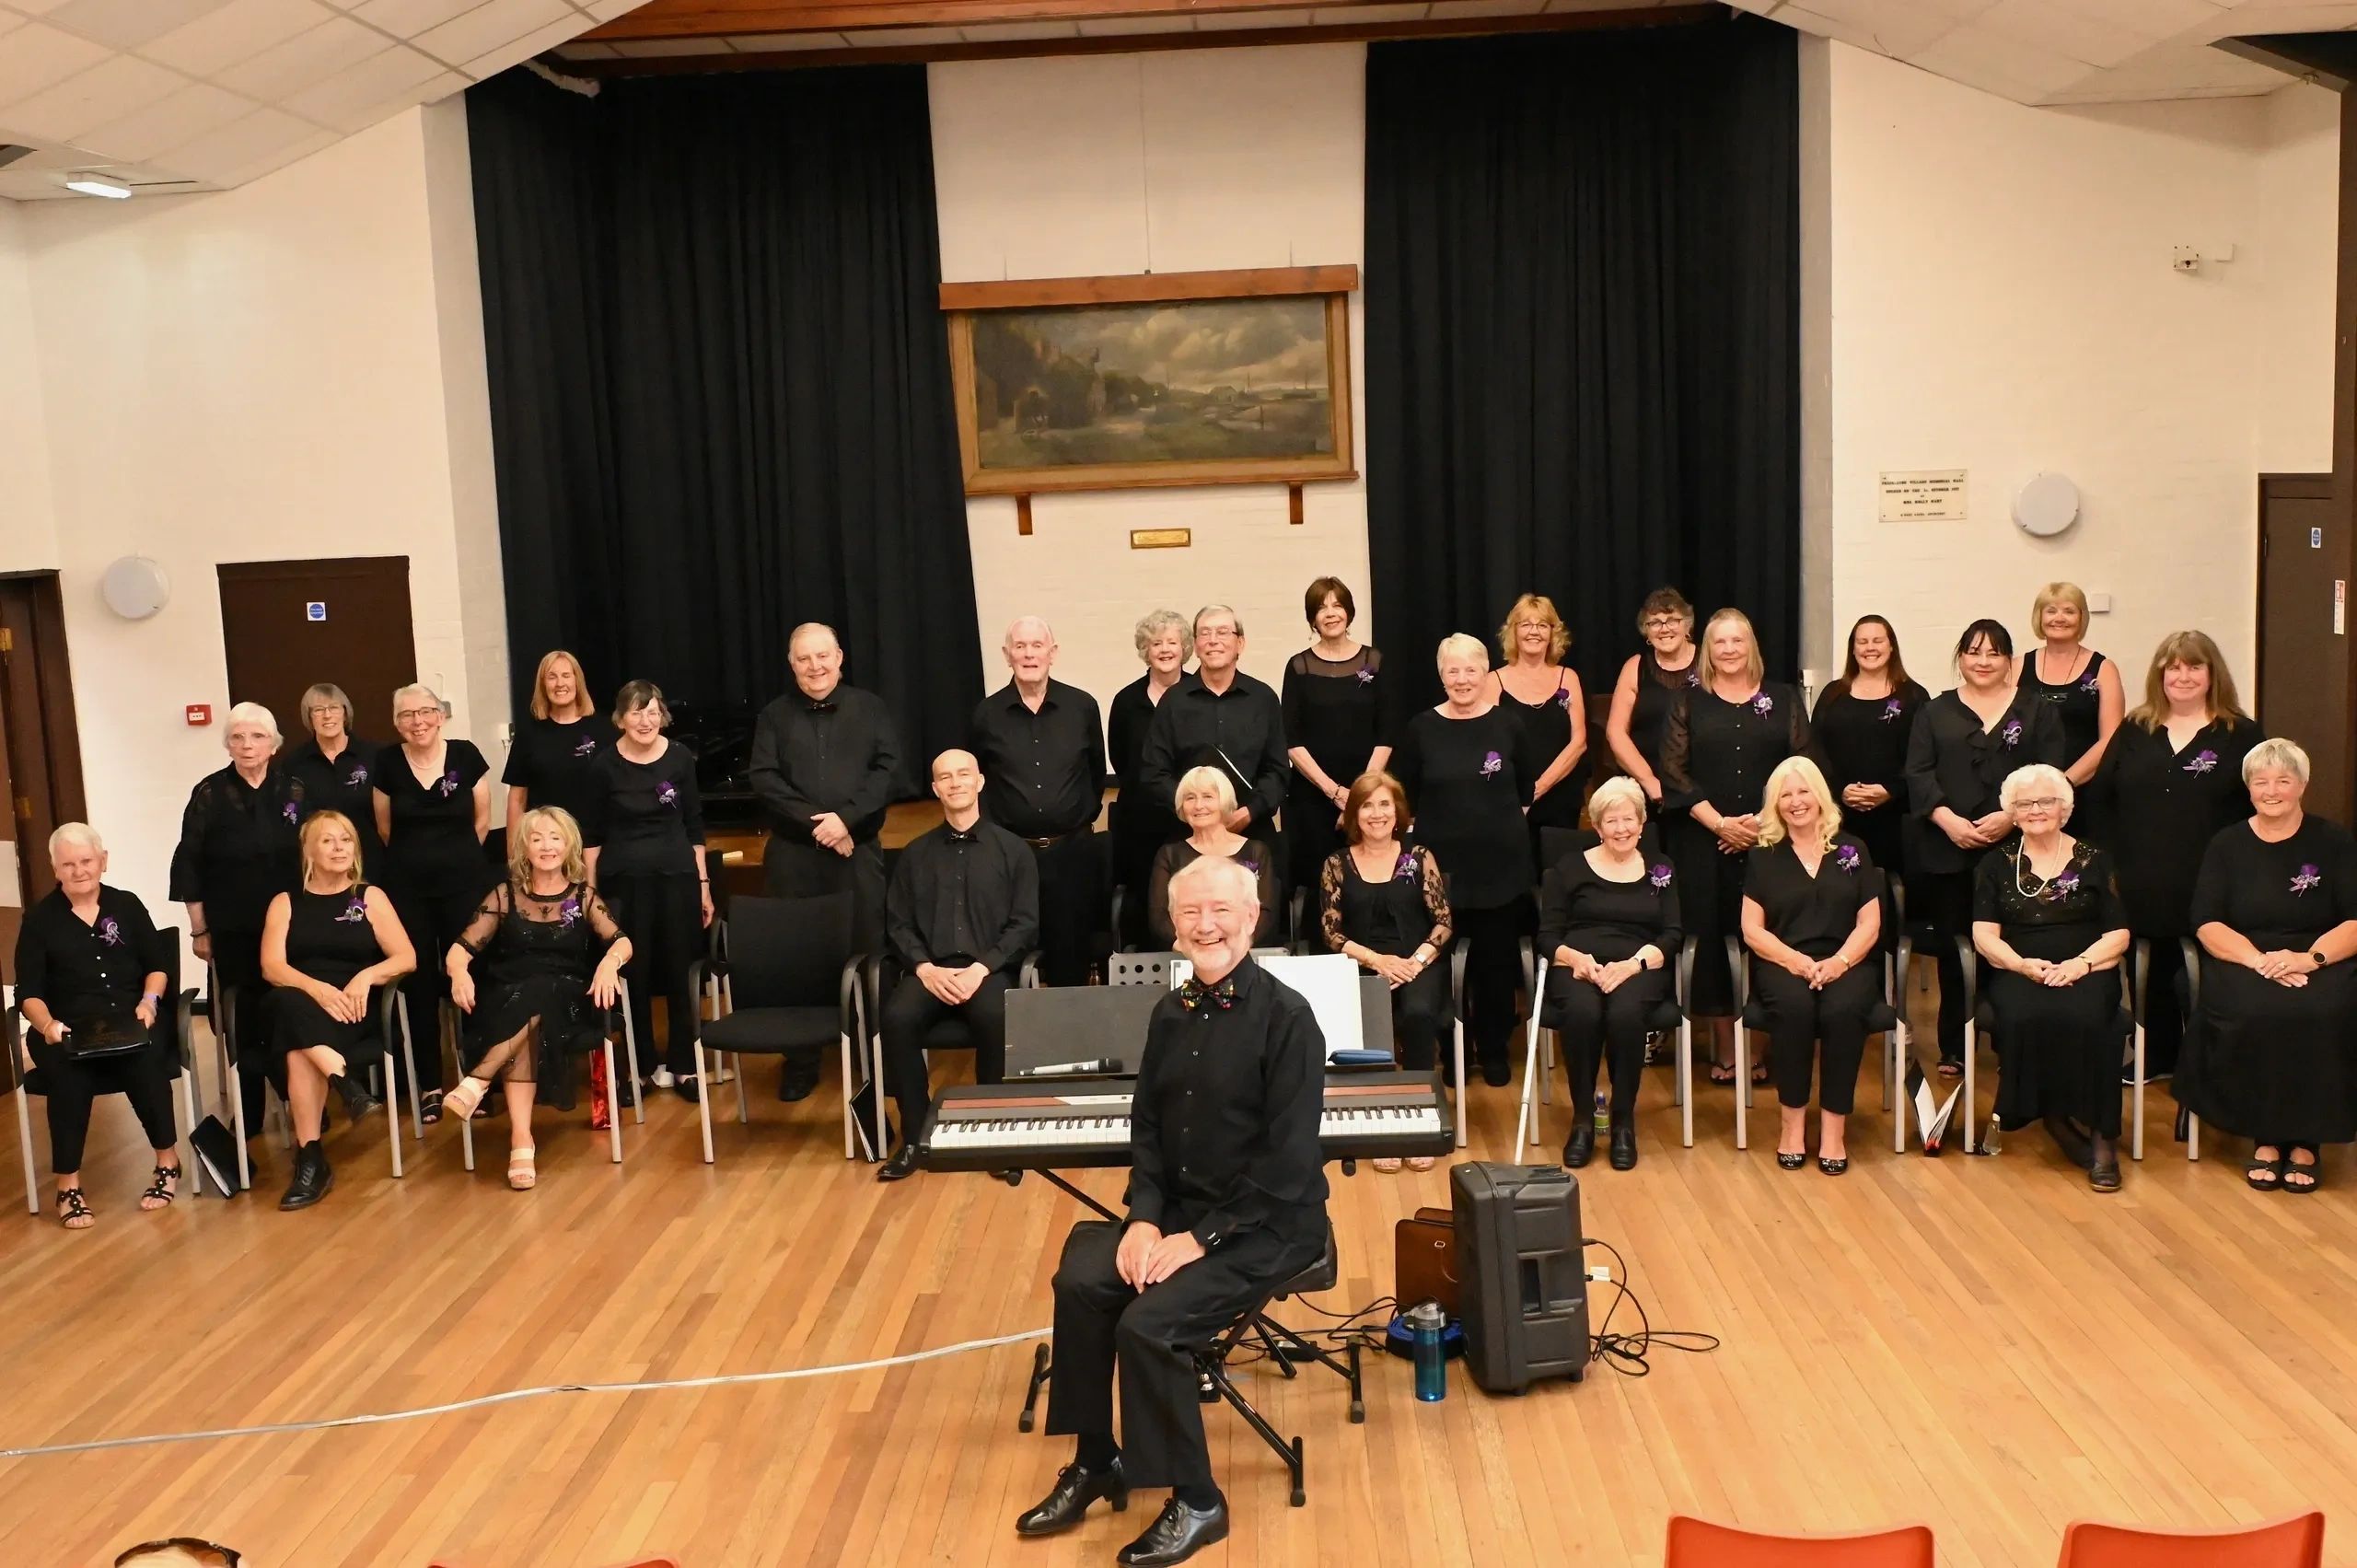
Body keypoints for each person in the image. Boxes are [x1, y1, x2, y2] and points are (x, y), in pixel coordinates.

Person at [1022, 855, 1327, 1568]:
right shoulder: (1171, 1010)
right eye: (1190, 912)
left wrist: (1200, 1238)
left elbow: (1286, 1164)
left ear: (1253, 919)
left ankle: (1198, 1500)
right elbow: (1149, 1129)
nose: (1206, 924)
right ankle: (1099, 1460)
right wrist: (1145, 1219)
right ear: (1174, 924)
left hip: (1268, 1225)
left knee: (1150, 1325)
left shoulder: (1289, 1020)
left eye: (1221, 910)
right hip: (1180, 1214)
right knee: (1082, 1282)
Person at [2174, 738, 2357, 1194]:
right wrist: (2260, 962)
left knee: (2321, 1011)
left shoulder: (2334, 840)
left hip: (2320, 955)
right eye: (2261, 781)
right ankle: (2266, 1137)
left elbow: (2355, 919)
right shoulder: (2227, 843)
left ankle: (2307, 1141)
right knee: (2257, 1011)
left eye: (2283, 780)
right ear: (2248, 788)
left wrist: (2308, 959)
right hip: (2243, 956)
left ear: (2302, 785)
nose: (2271, 790)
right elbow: (2207, 922)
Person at [2088, 631, 2257, 1082]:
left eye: (2194, 667)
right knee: (2149, 973)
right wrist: (2108, 864)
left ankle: (2209, 1064)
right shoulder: (2135, 728)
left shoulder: (2240, 734)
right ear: (2160, 675)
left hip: (2212, 879)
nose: (2182, 676)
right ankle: (2156, 1054)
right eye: (2173, 667)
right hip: (2140, 876)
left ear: (2212, 674)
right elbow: (2101, 798)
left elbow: (2256, 809)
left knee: (2204, 978)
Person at [1906, 620, 2067, 1075]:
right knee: (1957, 949)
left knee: (2015, 945)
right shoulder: (1935, 712)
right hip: (1947, 848)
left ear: (2010, 662)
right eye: (1973, 651)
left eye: (1993, 653)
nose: (1982, 661)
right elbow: (1918, 773)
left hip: (2020, 850)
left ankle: (2010, 1039)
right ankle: (1954, 1045)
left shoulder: (2036, 710)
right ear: (1960, 657)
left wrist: (2011, 816)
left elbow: (2050, 775)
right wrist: (1947, 820)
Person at [749, 621, 902, 1099]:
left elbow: (888, 770)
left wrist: (847, 821)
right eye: (803, 659)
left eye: (822, 656)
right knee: (797, 958)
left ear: (839, 657)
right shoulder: (774, 716)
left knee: (868, 952)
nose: (815, 667)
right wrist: (822, 826)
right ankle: (800, 1061)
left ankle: (873, 1058)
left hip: (857, 853)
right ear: (791, 665)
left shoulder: (871, 708)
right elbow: (765, 778)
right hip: (795, 857)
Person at [872, 749, 1040, 1183]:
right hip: (931, 970)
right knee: (897, 1016)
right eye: (944, 777)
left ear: (980, 781)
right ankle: (915, 1136)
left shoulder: (1013, 851)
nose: (955, 782)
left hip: (987, 970)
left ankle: (992, 1133)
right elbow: (899, 924)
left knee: (996, 1016)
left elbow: (1024, 925)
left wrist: (981, 969)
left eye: (964, 774)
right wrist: (925, 968)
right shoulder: (913, 854)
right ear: (935, 789)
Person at [1660, 608, 1812, 1084]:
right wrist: (1722, 824)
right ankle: (1726, 1050)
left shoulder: (1784, 699)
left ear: (1752, 647)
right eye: (1719, 642)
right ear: (1707, 649)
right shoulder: (1688, 701)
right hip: (1705, 843)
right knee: (1713, 942)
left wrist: (1764, 825)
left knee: (1770, 937)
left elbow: (1803, 765)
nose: (1729, 650)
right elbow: (1673, 773)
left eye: (1737, 641)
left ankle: (1759, 1049)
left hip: (1774, 841)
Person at [445, 807, 631, 1191]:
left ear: (569, 847)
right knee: (528, 1008)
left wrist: (609, 963)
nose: (547, 846)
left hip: (570, 998)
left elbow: (622, 941)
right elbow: (460, 949)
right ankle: (520, 1139)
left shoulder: (583, 896)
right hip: (511, 996)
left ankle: (481, 1083)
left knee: (542, 991)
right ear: (524, 847)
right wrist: (458, 971)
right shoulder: (504, 895)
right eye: (537, 838)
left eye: (555, 838)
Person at [1969, 764, 2133, 1191]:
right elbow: (1984, 934)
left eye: (2046, 801)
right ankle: (2055, 1119)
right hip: (2020, 968)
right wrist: (2022, 964)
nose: (2036, 810)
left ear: (2065, 809)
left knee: (2093, 1020)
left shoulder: (2096, 860)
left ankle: (2102, 1142)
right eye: (2025, 804)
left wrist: (2081, 964)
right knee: (2025, 1016)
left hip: (2088, 966)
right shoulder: (1995, 863)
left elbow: (2119, 932)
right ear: (2012, 812)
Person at [14, 823, 181, 1229]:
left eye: (86, 861)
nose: (79, 871)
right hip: (67, 1027)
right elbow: (28, 992)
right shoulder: (40, 920)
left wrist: (149, 1002)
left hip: (131, 1017)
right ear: (56, 869)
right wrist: (48, 1024)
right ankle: (68, 1186)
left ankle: (167, 1161)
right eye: (67, 864)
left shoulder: (126, 905)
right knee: (69, 1075)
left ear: (102, 861)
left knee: (145, 1060)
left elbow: (157, 967)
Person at [1390, 633, 1538, 1086]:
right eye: (1452, 670)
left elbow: (1526, 793)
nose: (1461, 679)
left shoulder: (1509, 725)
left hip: (1500, 868)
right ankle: (1454, 1052)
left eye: (1470, 669)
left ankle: (1493, 1050)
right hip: (1440, 873)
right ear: (1441, 676)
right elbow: (1402, 797)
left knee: (1494, 966)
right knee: (1439, 966)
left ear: (1485, 672)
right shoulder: (1420, 728)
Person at [258, 810, 416, 1210]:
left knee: (296, 1045)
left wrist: (366, 977)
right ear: (308, 850)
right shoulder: (285, 902)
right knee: (287, 1001)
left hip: (352, 1011)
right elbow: (272, 967)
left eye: (345, 839)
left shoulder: (369, 897)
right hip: (305, 1001)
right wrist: (317, 989)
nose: (339, 847)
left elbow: (406, 957)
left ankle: (311, 1162)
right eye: (328, 840)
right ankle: (344, 1082)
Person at [1740, 756, 1883, 1175]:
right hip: (1784, 961)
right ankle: (1793, 1126)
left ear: (1820, 796)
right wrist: (1797, 961)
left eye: (1803, 791)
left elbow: (1870, 922)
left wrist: (1840, 962)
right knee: (1795, 1010)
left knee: (1842, 1012)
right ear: (1775, 804)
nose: (1796, 802)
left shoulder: (1853, 850)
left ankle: (1835, 1132)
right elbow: (1752, 929)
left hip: (1847, 960)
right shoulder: (1763, 856)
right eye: (1786, 795)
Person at [170, 701, 305, 1144]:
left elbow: (316, 852)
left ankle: (299, 1102)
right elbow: (187, 864)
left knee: (288, 1010)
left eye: (257, 736)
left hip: (290, 924)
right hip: (232, 926)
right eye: (238, 737)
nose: (247, 745)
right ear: (228, 744)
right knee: (242, 1017)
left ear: (274, 744)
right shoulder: (209, 793)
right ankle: (248, 1112)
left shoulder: (295, 790)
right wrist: (199, 929)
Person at [1537, 776, 1678, 1172]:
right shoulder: (1568, 869)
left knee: (1625, 1014)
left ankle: (1622, 1121)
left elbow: (1672, 933)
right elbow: (1547, 936)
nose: (1622, 829)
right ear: (1597, 827)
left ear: (1642, 822)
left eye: (1629, 819)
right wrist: (1576, 959)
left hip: (1639, 966)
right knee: (1581, 1013)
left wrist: (1634, 964)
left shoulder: (1660, 868)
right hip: (1579, 965)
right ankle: (1582, 1119)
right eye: (1612, 821)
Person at [584, 680, 711, 1106]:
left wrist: (705, 885)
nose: (646, 720)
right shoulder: (603, 767)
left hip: (677, 877)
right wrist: (592, 895)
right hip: (623, 882)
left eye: (653, 711)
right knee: (632, 975)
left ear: (663, 716)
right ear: (621, 718)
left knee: (681, 969)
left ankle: (684, 1064)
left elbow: (694, 825)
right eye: (637, 712)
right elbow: (592, 836)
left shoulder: (679, 758)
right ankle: (638, 1068)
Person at [372, 682, 493, 1122]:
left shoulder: (465, 755)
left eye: (425, 712)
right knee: (419, 982)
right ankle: (428, 1085)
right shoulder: (385, 763)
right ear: (396, 722)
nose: (417, 721)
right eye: (407, 715)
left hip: (465, 885)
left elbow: (482, 820)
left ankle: (477, 1080)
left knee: (471, 976)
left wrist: (454, 861)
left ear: (441, 715)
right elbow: (385, 829)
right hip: (407, 891)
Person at [1318, 770, 1449, 1171]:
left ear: (1398, 812)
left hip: (1416, 963)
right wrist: (1377, 962)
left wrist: (1414, 962)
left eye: (1384, 805)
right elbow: (1331, 932)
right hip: (1359, 964)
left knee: (1418, 1013)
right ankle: (1382, 1125)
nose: (1376, 814)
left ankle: (1420, 1122)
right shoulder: (1336, 863)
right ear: (1354, 815)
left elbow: (1443, 922)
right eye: (1367, 806)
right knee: (1369, 1019)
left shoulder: (1420, 857)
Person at [970, 616, 1107, 987]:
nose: (1029, 654)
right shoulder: (986, 714)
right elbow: (979, 781)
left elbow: (1096, 774)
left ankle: (1072, 1039)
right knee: (1010, 951)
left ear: (1053, 653)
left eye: (1037, 646)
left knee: (1071, 954)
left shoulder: (1082, 707)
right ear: (1007, 655)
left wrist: (1075, 818)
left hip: (1072, 852)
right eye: (1020, 646)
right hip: (1010, 855)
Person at [1137, 605, 1288, 850]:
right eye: (1205, 633)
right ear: (1195, 646)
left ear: (1240, 643)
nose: (1213, 641)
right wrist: (1194, 811)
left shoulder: (1263, 698)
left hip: (1252, 833)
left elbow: (1277, 770)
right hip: (1187, 835)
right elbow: (1154, 772)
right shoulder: (1173, 701)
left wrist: (1250, 811)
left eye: (1223, 632)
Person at [1283, 578, 1392, 896]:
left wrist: (1357, 796)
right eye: (1321, 607)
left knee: (1368, 883)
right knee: (1321, 886)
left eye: (1337, 605)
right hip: (1314, 796)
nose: (1330, 613)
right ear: (1312, 618)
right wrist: (1334, 793)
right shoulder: (1299, 666)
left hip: (1369, 794)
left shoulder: (1375, 662)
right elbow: (1291, 739)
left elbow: (1387, 732)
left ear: (1349, 612)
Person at [1810, 616, 1928, 892]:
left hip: (1895, 820)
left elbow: (1923, 756)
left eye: (1877, 640)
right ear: (1853, 649)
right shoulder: (1832, 695)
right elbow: (1814, 750)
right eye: (1862, 641)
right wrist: (1840, 790)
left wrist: (1890, 791)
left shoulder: (1914, 696)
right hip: (1837, 816)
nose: (1869, 647)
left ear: (1891, 647)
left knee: (1889, 895)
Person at [1109, 610, 1194, 950]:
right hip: (1140, 825)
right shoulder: (1126, 701)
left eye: (1172, 642)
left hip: (1190, 823)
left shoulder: (1198, 695)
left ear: (1185, 647)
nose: (1164, 649)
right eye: (1156, 642)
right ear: (1145, 649)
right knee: (1147, 902)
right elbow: (1120, 758)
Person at [1493, 593, 1587, 862]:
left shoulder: (1567, 677)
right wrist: (1519, 798)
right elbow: (1488, 744)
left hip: (1560, 799)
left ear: (1552, 633)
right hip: (1510, 803)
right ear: (1514, 632)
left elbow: (1579, 741)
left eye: (1542, 624)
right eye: (1526, 624)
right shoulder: (1492, 681)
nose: (1534, 631)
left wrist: (1535, 791)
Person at [1144, 768, 1281, 950]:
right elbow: (1159, 917)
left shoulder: (1256, 851)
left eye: (1208, 796)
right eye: (1190, 798)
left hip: (1245, 952)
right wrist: (1194, 945)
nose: (1198, 805)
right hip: (1187, 953)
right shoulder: (1169, 854)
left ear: (1224, 801)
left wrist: (1232, 946)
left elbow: (1267, 913)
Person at [2016, 583, 2124, 800]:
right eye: (2051, 611)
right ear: (2039, 617)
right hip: (2027, 793)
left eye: (2069, 611)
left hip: (2085, 791)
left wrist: (2063, 784)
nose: (2059, 618)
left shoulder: (2104, 669)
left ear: (2082, 618)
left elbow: (2111, 739)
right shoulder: (2017, 666)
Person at [1604, 587, 1701, 807]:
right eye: (1655, 622)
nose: (1664, 629)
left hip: (1701, 784)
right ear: (1646, 630)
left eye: (1672, 620)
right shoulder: (1634, 667)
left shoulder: (1709, 662)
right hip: (1645, 787)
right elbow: (1616, 733)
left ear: (1687, 625)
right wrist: (1649, 782)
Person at [503, 650, 606, 845]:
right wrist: (514, 855)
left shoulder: (604, 731)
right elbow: (517, 800)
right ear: (543, 685)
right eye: (552, 677)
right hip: (546, 847)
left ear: (578, 681)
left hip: (596, 845)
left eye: (566, 676)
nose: (560, 684)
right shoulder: (528, 735)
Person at [284, 682, 383, 865]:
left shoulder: (374, 756)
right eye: (318, 710)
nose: (327, 715)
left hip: (372, 861)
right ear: (309, 717)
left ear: (345, 714)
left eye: (334, 708)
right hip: (320, 866)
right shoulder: (294, 764)